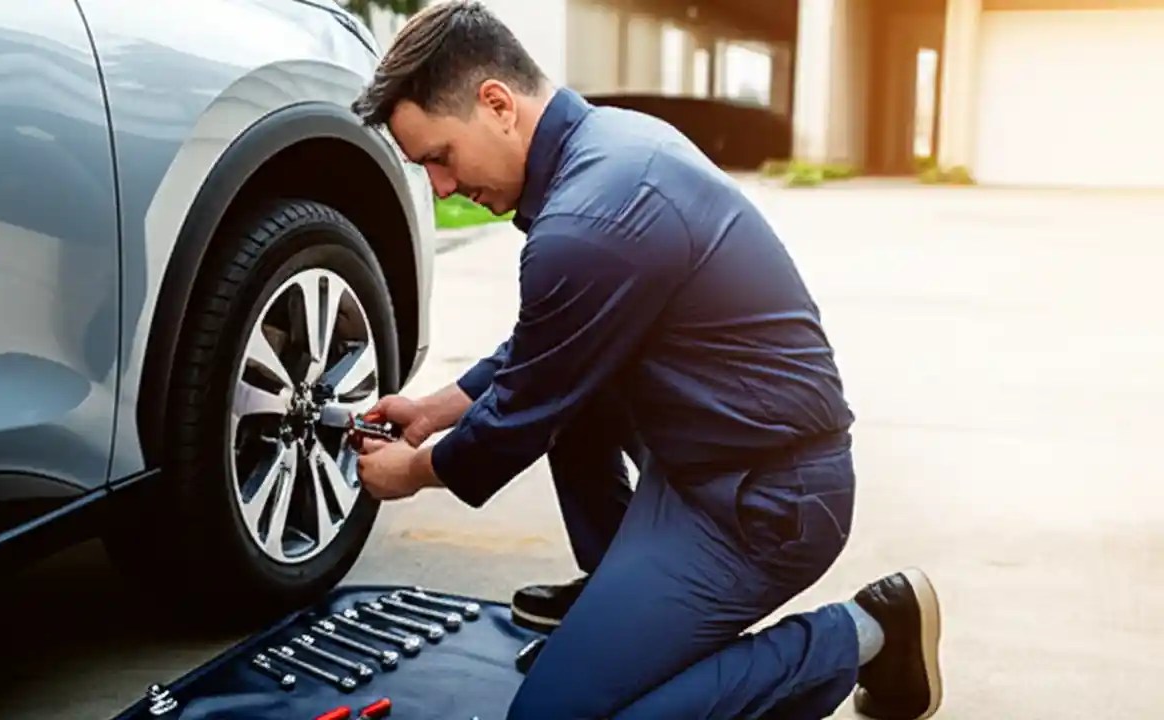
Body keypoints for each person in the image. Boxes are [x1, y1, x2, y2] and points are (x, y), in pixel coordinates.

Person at [350, 2, 943, 718]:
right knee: (576, 397)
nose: (442, 188)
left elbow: (517, 421)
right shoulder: (608, 142)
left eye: (439, 158)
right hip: (701, 463)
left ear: (497, 105)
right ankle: (622, 607)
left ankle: (867, 631)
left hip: (768, 505)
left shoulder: (591, 217)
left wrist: (410, 471)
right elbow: (555, 343)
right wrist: (434, 409)